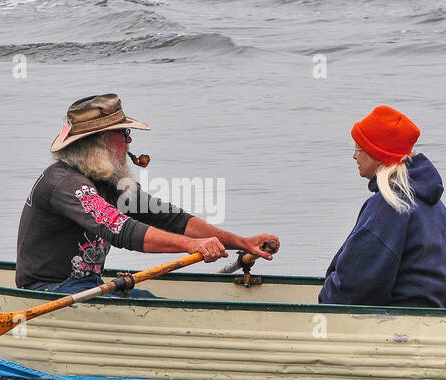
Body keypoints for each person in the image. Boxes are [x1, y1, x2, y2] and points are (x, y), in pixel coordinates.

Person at [16, 93, 279, 296]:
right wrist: (192, 246)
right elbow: (122, 230)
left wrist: (242, 242)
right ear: (99, 141)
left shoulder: (106, 179)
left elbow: (169, 219)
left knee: (151, 302)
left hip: (87, 286)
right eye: (124, 134)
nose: (129, 142)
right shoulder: (65, 184)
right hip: (47, 292)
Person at [319, 105, 446, 308]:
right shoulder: (435, 206)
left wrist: (326, 298)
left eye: (358, 148)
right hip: (431, 319)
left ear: (376, 154)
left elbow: (356, 286)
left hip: (394, 326)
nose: (354, 156)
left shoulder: (389, 206)